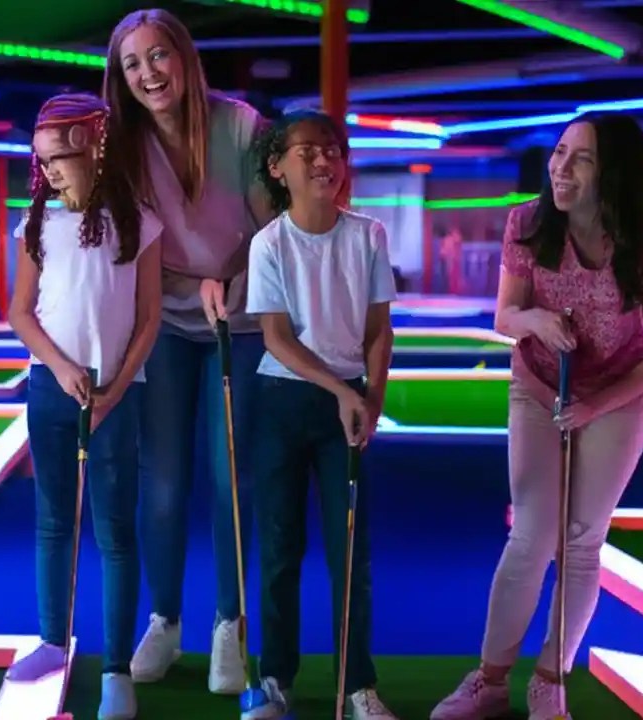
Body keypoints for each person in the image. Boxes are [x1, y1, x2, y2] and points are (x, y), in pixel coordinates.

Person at [430, 113, 643, 720]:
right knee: (533, 534)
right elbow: (504, 317)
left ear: (613, 173)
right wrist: (536, 322)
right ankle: (490, 681)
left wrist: (599, 403)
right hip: (540, 383)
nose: (561, 168)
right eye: (560, 152)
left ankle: (551, 678)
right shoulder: (529, 223)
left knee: (582, 539)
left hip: (618, 392)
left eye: (583, 159)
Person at [102, 9, 274, 694]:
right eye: (133, 64)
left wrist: (233, 280)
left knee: (235, 478)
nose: (149, 74)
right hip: (166, 323)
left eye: (159, 56)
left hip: (244, 320)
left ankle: (229, 625)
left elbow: (273, 225)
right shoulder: (122, 143)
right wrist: (190, 281)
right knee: (165, 483)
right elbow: (129, 254)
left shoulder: (241, 127)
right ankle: (165, 621)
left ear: (185, 58)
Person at [3, 92, 163, 720]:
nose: (50, 173)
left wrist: (116, 387)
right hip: (52, 387)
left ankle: (118, 668)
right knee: (52, 521)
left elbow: (149, 317)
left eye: (61, 160)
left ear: (95, 149)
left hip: (118, 393)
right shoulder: (36, 224)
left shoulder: (139, 220)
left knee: (116, 531)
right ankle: (51, 641)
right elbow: (21, 312)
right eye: (43, 163)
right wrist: (65, 368)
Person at [243, 109, 399, 720]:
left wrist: (372, 395)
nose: (322, 161)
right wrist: (342, 391)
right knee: (281, 547)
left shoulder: (368, 235)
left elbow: (379, 329)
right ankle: (276, 678)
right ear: (278, 169)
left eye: (331, 149)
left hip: (350, 402)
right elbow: (277, 337)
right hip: (284, 400)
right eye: (305, 151)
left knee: (350, 550)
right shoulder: (268, 244)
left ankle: (359, 685)